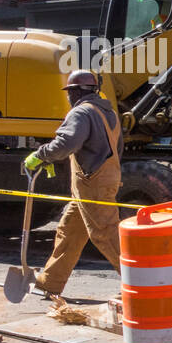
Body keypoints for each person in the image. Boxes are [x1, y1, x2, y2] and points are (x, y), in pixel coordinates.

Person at [21, 70, 122, 298]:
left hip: (92, 183)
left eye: (69, 92)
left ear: (74, 92)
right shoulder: (107, 113)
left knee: (106, 235)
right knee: (70, 232)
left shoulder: (81, 112)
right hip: (99, 180)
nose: (68, 97)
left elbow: (67, 142)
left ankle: (145, 284)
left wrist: (41, 155)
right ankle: (50, 282)